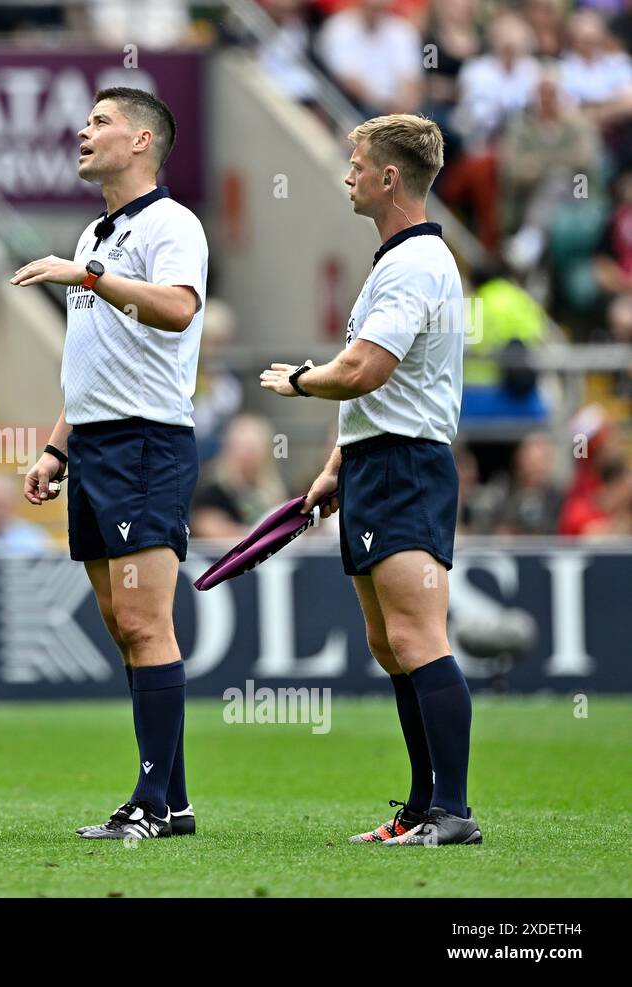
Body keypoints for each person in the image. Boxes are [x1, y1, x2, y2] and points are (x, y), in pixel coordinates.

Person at [261, 114, 481, 846]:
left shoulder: (415, 263)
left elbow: (364, 370)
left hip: (405, 466)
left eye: (357, 165)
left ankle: (453, 812)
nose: (347, 175)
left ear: (390, 178)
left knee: (418, 636)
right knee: (390, 642)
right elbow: (375, 388)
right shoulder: (399, 260)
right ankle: (421, 809)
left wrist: (299, 380)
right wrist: (337, 464)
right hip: (374, 461)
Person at [16, 87, 206, 840]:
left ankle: (151, 803)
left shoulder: (171, 223)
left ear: (142, 141)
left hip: (146, 442)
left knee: (144, 621)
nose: (83, 130)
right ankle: (174, 802)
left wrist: (88, 275)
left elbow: (179, 307)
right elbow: (97, 360)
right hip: (95, 445)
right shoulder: (96, 233)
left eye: (100, 121)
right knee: (123, 626)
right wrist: (57, 445)